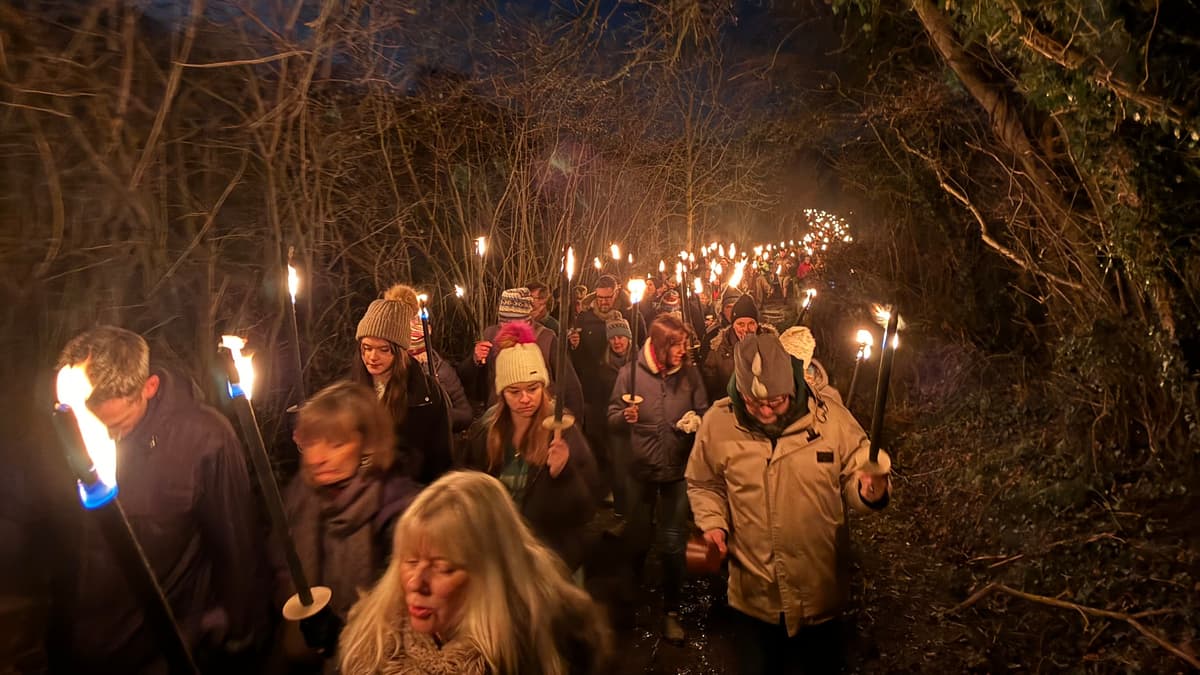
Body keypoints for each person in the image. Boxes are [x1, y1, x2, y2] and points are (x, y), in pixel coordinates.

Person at [50, 326, 267, 672]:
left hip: (162, 651)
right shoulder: (68, 432)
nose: (103, 440)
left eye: (117, 425)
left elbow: (236, 546)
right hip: (83, 647)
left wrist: (240, 634)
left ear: (148, 387)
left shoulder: (205, 440)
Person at [685, 334, 893, 675]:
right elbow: (704, 482)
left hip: (819, 594)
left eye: (776, 401)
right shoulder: (719, 423)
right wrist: (713, 524)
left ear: (793, 386)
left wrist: (869, 490)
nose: (765, 411)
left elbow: (859, 471)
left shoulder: (831, 420)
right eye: (753, 402)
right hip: (754, 597)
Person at [338, 471, 613, 675]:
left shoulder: (543, 649)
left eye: (443, 568)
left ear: (489, 574)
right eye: (410, 560)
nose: (415, 583)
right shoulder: (370, 648)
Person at [270, 382, 422, 673]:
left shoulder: (399, 513)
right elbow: (280, 563)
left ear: (367, 444)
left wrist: (343, 633)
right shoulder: (301, 497)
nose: (318, 458)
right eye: (312, 442)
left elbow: (411, 616)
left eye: (336, 444)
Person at [460, 322, 600, 572]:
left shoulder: (563, 430)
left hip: (548, 560)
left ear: (544, 387)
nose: (525, 399)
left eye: (533, 388)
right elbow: (467, 490)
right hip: (498, 556)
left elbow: (586, 509)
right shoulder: (486, 432)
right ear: (502, 392)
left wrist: (565, 473)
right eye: (514, 391)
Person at [608, 314, 707, 642]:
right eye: (676, 345)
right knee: (636, 539)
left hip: (677, 471)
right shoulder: (630, 375)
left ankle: (671, 610)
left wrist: (696, 420)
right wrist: (624, 416)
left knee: (672, 543)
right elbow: (610, 417)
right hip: (640, 471)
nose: (682, 350)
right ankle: (628, 602)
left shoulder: (690, 376)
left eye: (684, 344)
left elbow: (705, 411)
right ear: (661, 345)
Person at [353, 284, 454, 485]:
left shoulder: (426, 394)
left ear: (399, 352)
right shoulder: (351, 387)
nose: (372, 357)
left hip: (408, 496)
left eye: (383, 349)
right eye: (367, 347)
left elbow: (440, 460)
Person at [459, 287, 585, 420]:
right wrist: (475, 360)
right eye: (504, 322)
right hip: (500, 418)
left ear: (527, 320)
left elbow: (571, 388)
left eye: (515, 323)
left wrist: (571, 428)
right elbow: (468, 382)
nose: (509, 328)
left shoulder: (546, 339)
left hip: (539, 419)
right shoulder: (490, 335)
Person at [590, 316, 634, 515]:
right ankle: (621, 508)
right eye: (613, 338)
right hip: (613, 422)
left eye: (621, 337)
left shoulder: (639, 364)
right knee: (618, 466)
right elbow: (599, 399)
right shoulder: (602, 367)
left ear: (629, 339)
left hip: (636, 422)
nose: (617, 342)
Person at [702, 294, 775, 403]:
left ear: (757, 324)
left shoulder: (771, 345)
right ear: (733, 325)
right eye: (740, 324)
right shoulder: (719, 350)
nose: (746, 329)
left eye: (751, 323)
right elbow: (711, 388)